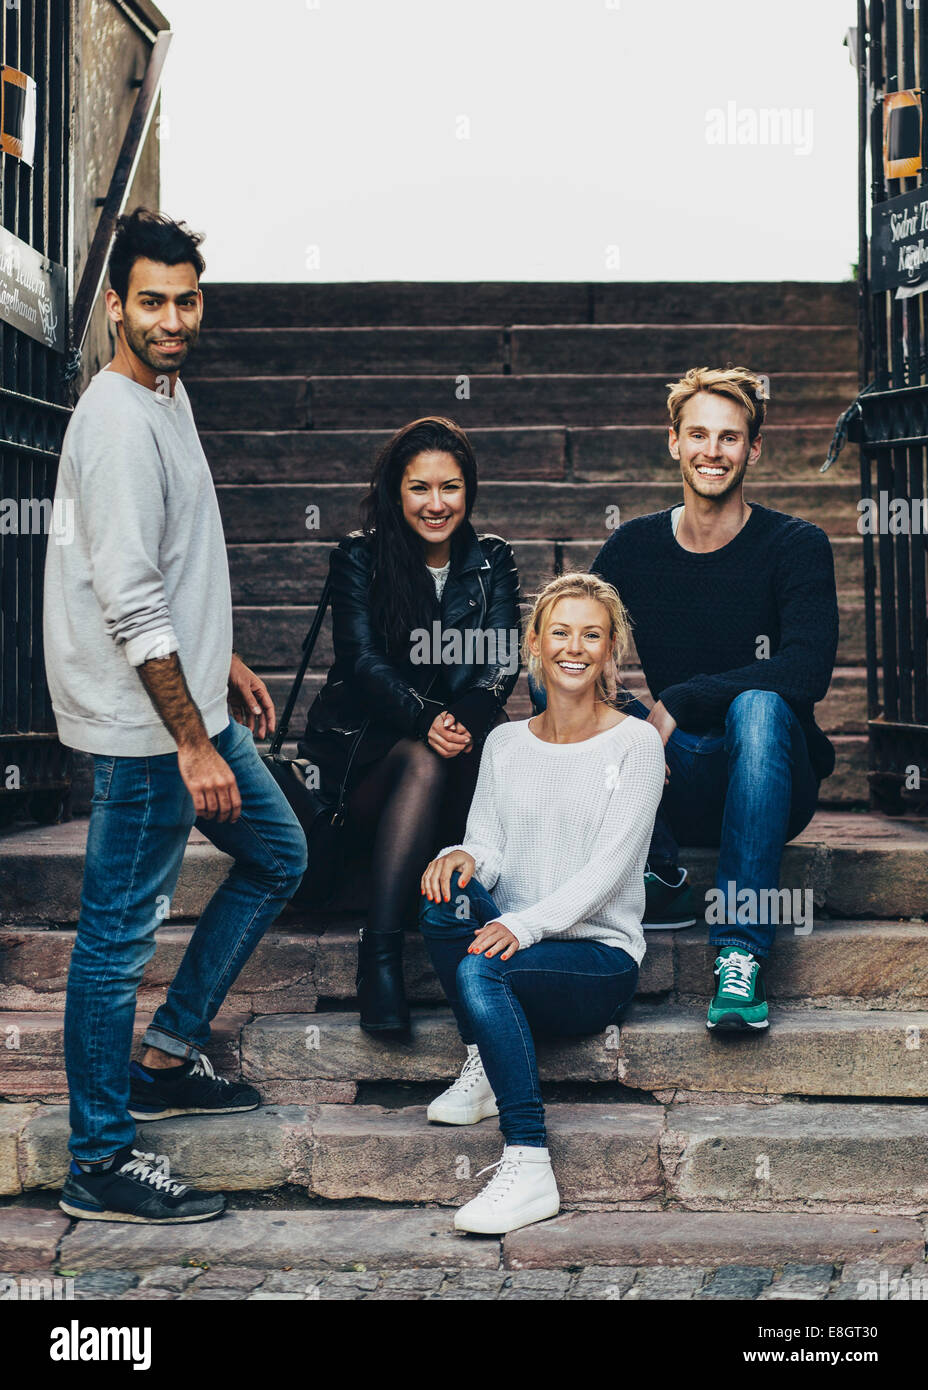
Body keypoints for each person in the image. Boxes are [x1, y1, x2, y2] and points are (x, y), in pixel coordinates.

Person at [43, 208, 308, 1223]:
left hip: (188, 698)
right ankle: (99, 1158)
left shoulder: (168, 391)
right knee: (113, 940)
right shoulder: (112, 421)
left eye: (185, 299)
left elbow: (166, 562)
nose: (170, 317)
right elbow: (129, 597)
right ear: (116, 304)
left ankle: (165, 1052)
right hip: (151, 731)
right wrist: (192, 738)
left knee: (280, 854)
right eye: (149, 300)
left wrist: (220, 652)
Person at [544, 365, 838, 1032]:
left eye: (730, 438)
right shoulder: (636, 546)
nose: (713, 451)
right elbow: (571, 644)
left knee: (759, 705)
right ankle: (661, 874)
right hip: (675, 782)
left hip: (769, 777)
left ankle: (739, 956)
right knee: (579, 682)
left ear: (753, 450)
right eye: (699, 435)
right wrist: (622, 725)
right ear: (673, 442)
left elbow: (805, 672)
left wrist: (679, 698)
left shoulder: (796, 546)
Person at [418, 573, 665, 1234]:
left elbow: (608, 874)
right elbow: (490, 845)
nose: (574, 647)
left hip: (595, 957)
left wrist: (521, 926)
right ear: (536, 643)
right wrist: (464, 859)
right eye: (560, 632)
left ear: (611, 651)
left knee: (481, 967)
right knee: (442, 892)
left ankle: (528, 1165)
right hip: (521, 936)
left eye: (591, 634)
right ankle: (486, 1061)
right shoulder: (504, 743)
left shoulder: (636, 745)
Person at [297, 416, 521, 1036]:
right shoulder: (360, 557)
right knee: (425, 757)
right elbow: (362, 662)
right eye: (419, 488)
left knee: (501, 740)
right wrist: (427, 720)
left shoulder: (492, 559)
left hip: (455, 744)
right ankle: (382, 954)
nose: (435, 504)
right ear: (397, 491)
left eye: (449, 488)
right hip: (365, 761)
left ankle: (510, 929)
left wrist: (463, 720)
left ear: (468, 491)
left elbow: (502, 658)